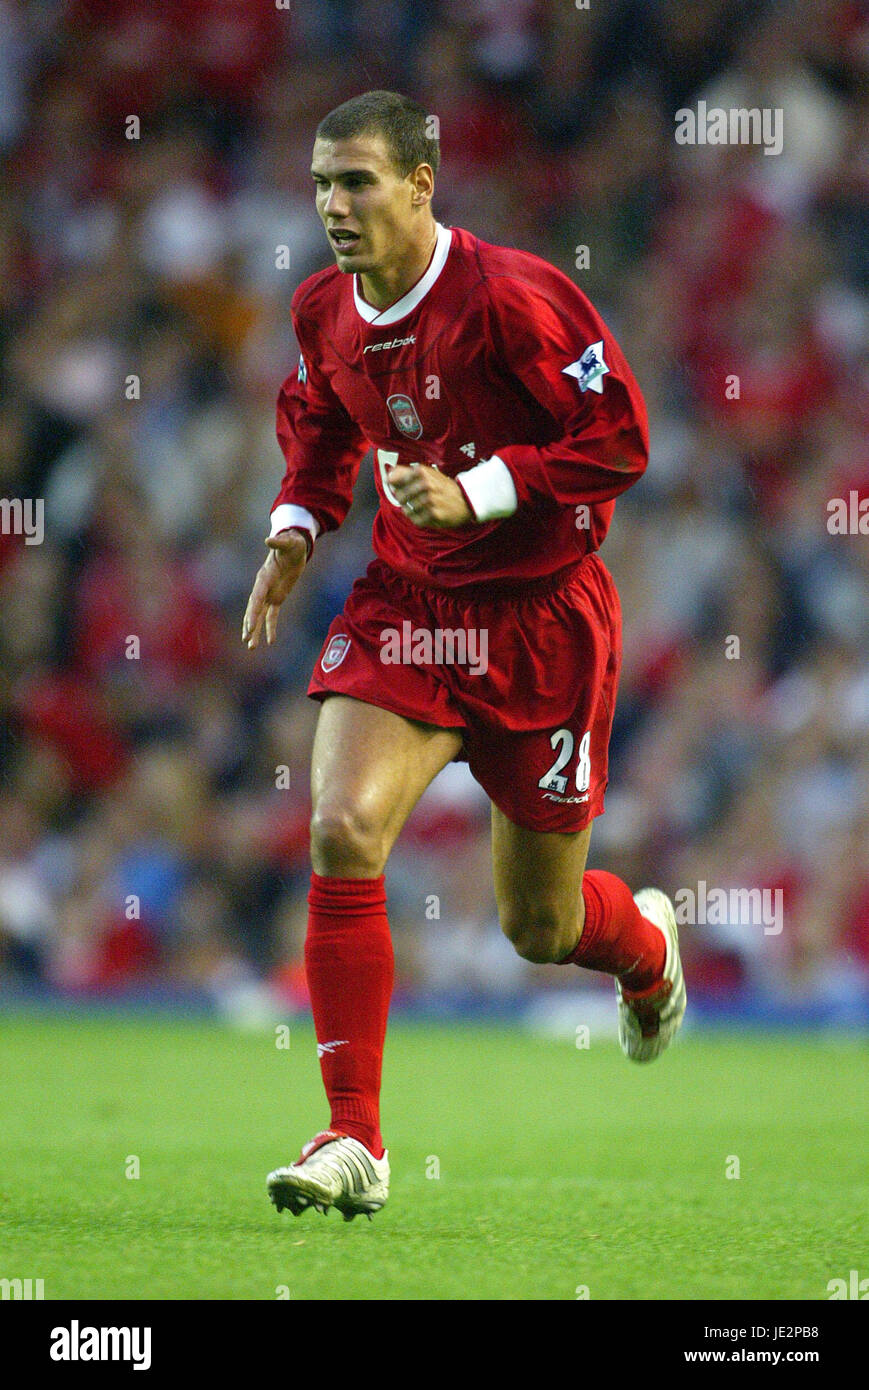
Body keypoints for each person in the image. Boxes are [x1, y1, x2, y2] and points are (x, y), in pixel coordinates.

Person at [242, 90, 685, 1222]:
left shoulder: (514, 299)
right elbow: (323, 425)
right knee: (340, 828)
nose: (334, 205)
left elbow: (620, 434)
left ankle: (642, 951)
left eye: (357, 182)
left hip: (542, 624)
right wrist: (294, 529)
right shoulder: (322, 310)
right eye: (321, 183)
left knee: (537, 929)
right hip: (409, 608)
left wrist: (477, 491)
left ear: (420, 185)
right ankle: (354, 1135)